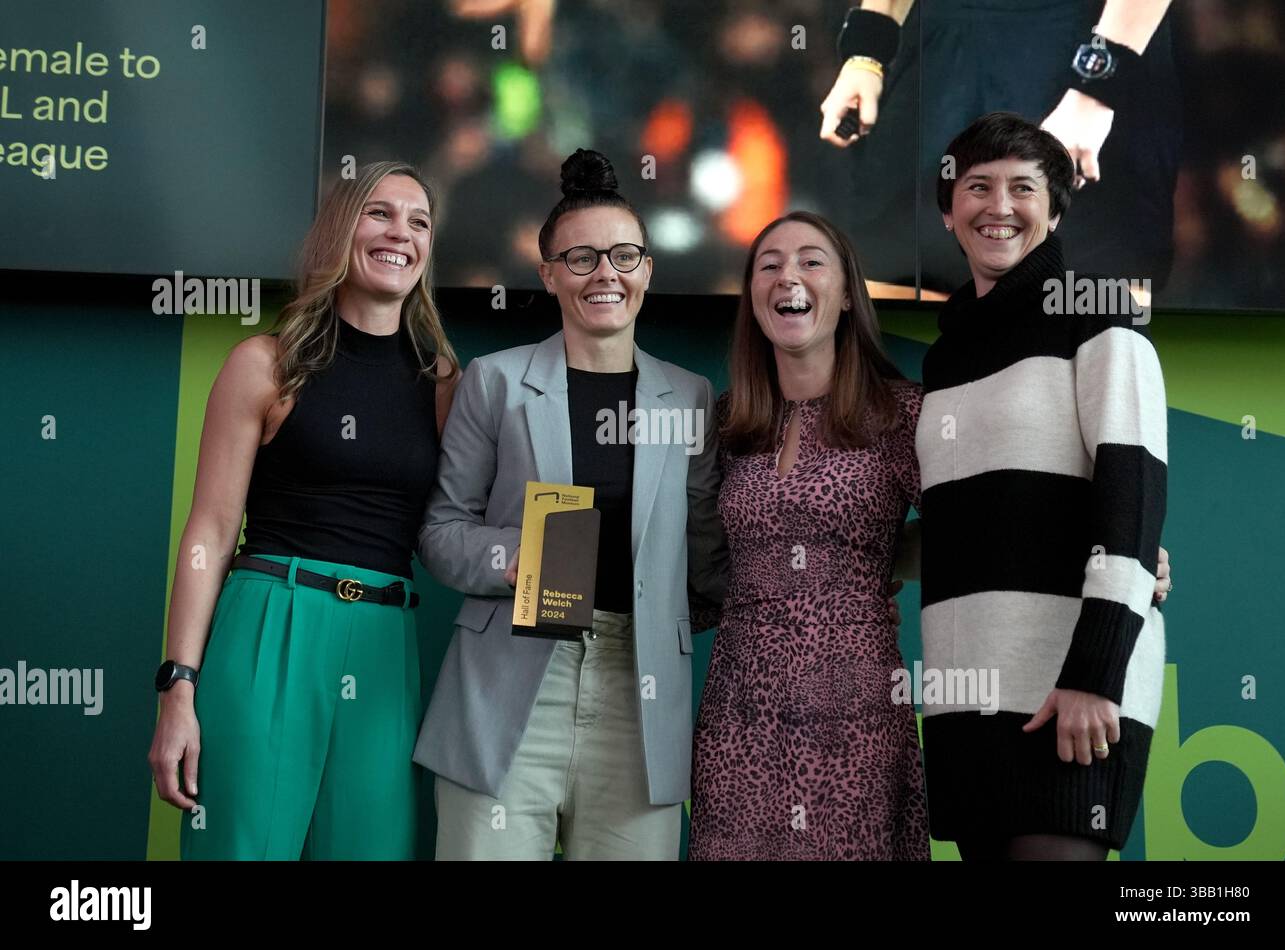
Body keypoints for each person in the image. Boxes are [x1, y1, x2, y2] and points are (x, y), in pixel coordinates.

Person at [413, 148, 729, 860]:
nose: (605, 274)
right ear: (548, 272)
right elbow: (440, 529)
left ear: (648, 267)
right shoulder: (493, 382)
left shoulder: (691, 397)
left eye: (623, 255)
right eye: (580, 258)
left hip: (639, 686)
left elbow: (709, 552)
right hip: (511, 679)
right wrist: (512, 555)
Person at [148, 161, 459, 859]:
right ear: (340, 229)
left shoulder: (444, 381)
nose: (399, 233)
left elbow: (463, 528)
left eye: (418, 221)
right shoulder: (266, 362)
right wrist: (178, 687)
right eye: (379, 213)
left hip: (386, 645)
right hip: (270, 626)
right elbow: (212, 531)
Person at [917, 112, 1168, 859]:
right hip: (967, 693)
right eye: (978, 186)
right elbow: (973, 519)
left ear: (1054, 210)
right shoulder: (947, 356)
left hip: (1071, 687)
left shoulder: (1097, 310)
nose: (999, 206)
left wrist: (1093, 676)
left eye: (1023, 188)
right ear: (948, 210)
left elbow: (1134, 497)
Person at [688, 211, 930, 860]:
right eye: (768, 264)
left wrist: (1109, 552)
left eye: (810, 261)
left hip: (854, 710)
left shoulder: (903, 413)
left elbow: (981, 523)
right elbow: (692, 559)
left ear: (849, 293)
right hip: (737, 718)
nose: (787, 275)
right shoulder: (726, 422)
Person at [819, 0, 1180, 295]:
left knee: (1082, 354)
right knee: (899, 348)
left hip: (1082, 56)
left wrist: (1097, 84)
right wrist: (865, 54)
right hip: (936, 60)